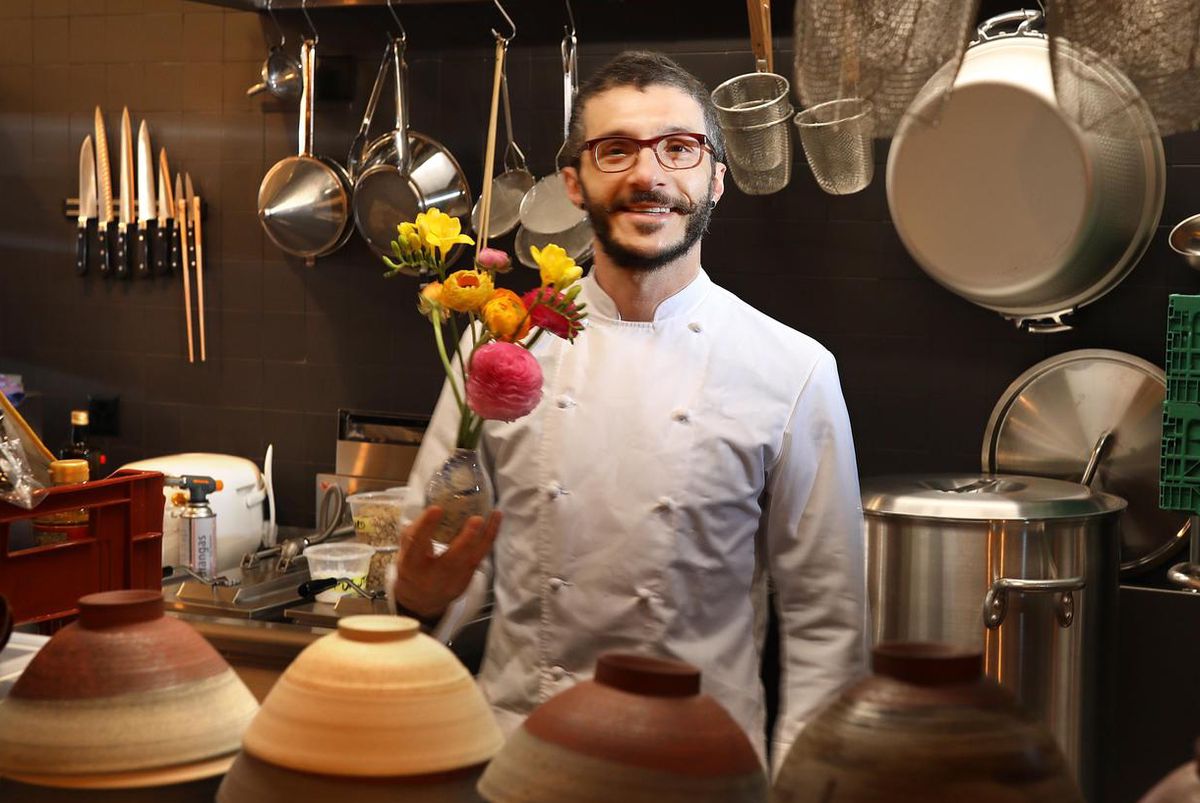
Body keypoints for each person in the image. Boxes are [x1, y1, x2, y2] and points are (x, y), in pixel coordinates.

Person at [393, 50, 865, 766]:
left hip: (699, 768)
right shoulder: (500, 345)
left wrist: (805, 783)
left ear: (715, 178)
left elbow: (827, 621)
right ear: (574, 184)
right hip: (520, 761)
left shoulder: (793, 370)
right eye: (616, 150)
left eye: (679, 147)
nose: (648, 175)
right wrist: (419, 598)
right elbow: (436, 557)